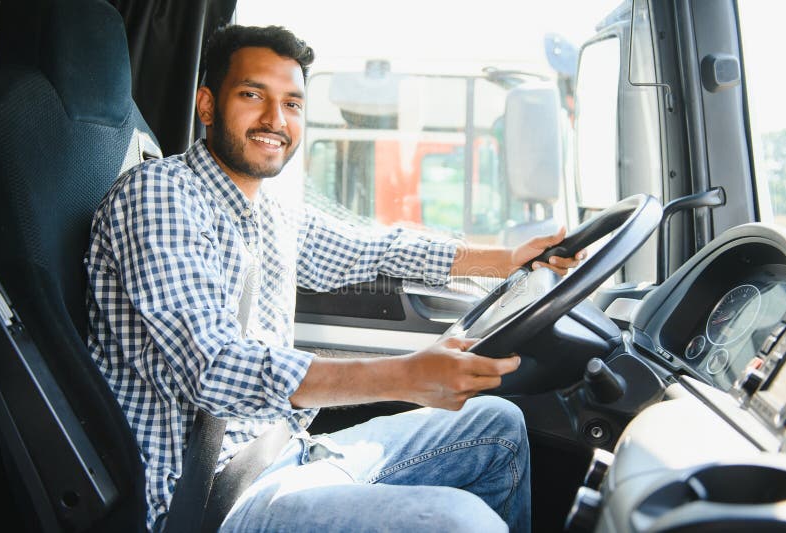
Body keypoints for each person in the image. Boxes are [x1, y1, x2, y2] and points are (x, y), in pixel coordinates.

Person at [85, 24, 584, 533]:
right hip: (210, 497)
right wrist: (406, 376)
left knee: (498, 426)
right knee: (461, 522)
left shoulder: (268, 212)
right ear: (208, 106)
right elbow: (215, 367)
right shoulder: (161, 196)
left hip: (284, 450)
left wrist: (506, 259)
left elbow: (372, 249)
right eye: (253, 95)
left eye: (293, 104)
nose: (275, 120)